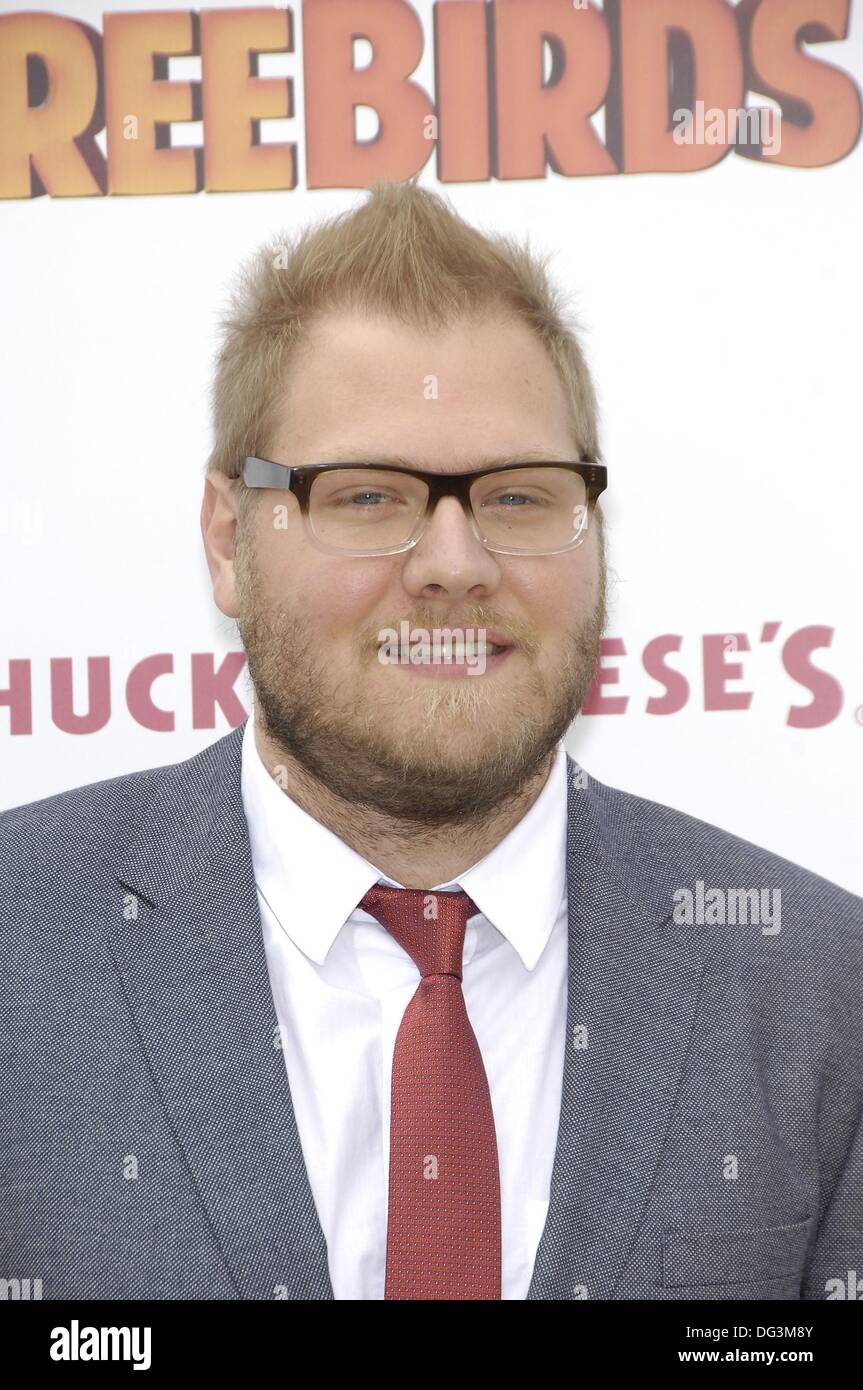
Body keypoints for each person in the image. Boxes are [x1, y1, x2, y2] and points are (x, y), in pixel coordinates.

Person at [1, 179, 860, 1302]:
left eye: (515, 497)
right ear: (227, 540)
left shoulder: (815, 985)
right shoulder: (23, 944)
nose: (454, 562)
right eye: (366, 496)